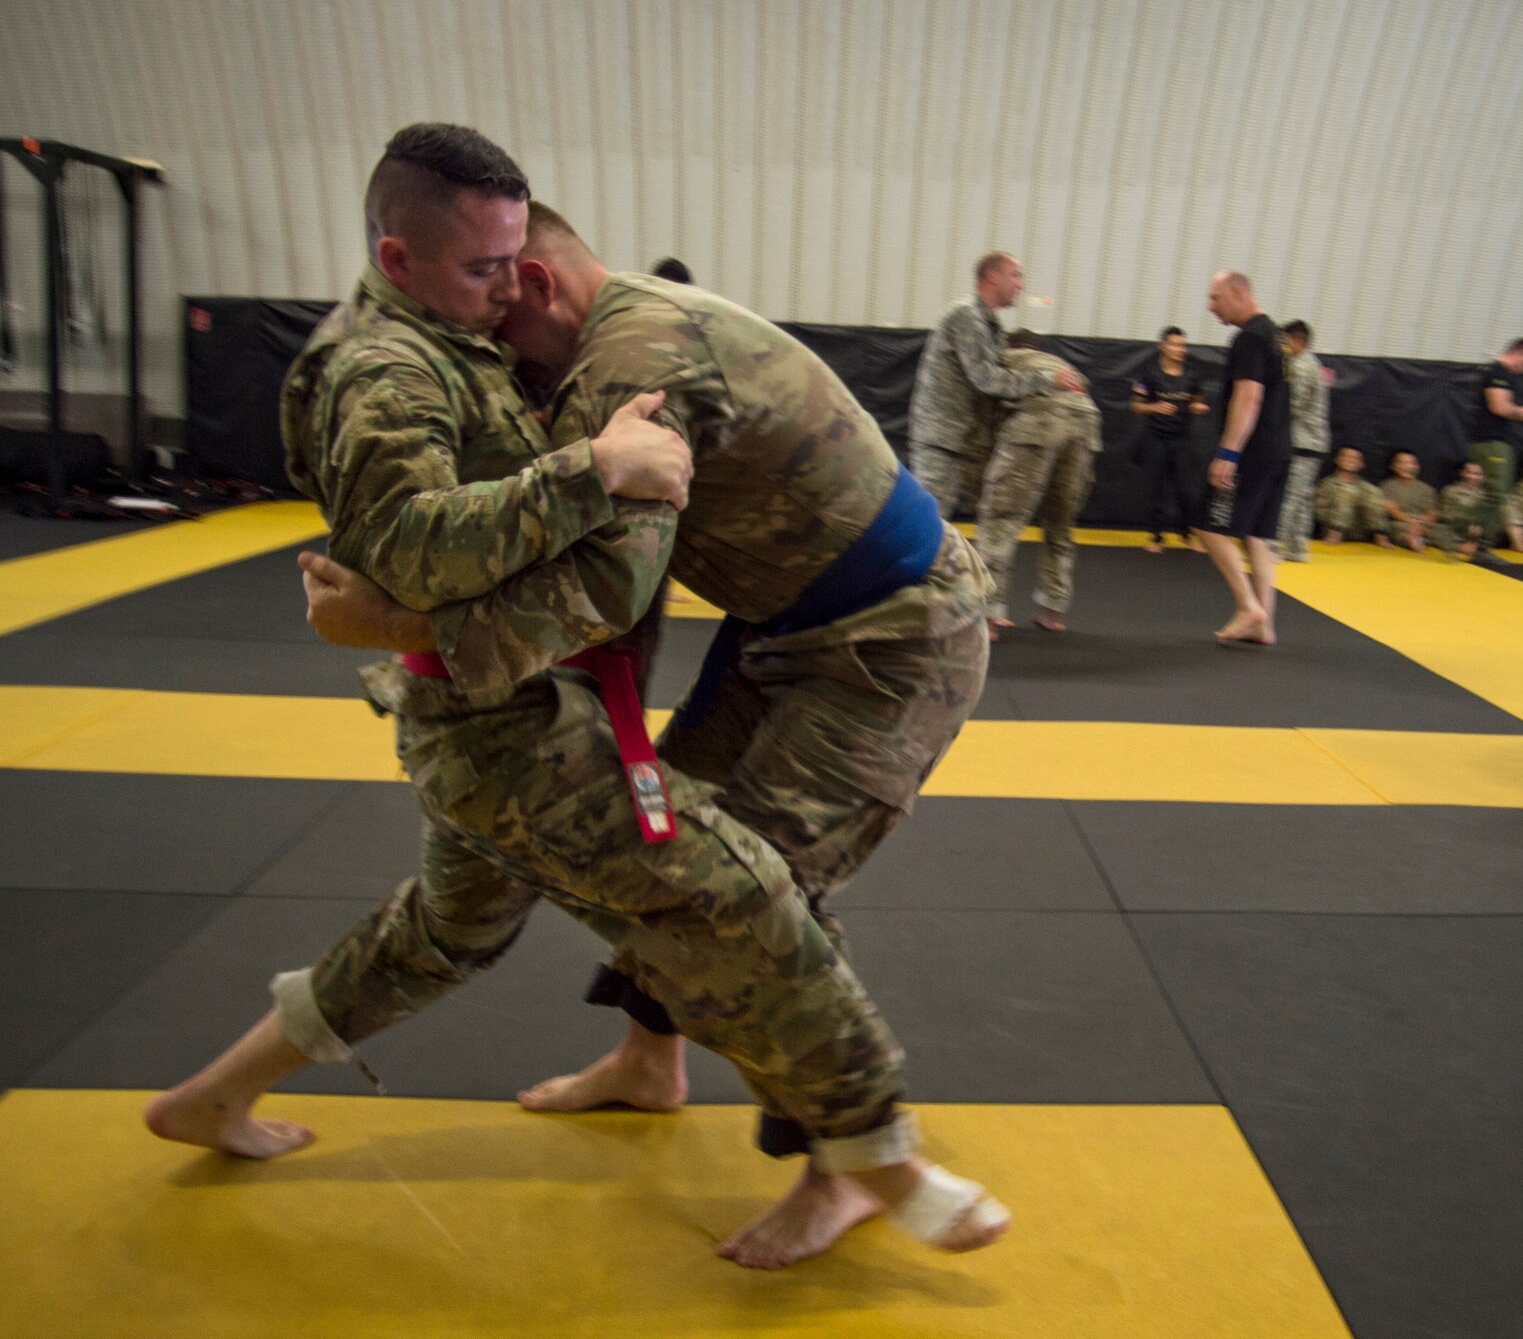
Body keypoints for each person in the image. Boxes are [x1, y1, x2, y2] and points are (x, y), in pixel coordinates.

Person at [149, 130, 1009, 1270]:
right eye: (474, 278)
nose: (506, 337)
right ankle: (729, 1095)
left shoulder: (620, 367)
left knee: (754, 884)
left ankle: (837, 1164)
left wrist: (408, 628)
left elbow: (615, 587)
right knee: (704, 893)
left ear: (540, 279)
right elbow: (527, 560)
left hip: (889, 638)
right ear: (403, 260)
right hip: (659, 666)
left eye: (507, 296)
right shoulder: (414, 358)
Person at [909, 252, 1069, 516]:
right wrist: (1048, 379)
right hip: (940, 439)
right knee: (926, 525)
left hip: (957, 440)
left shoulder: (989, 325)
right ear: (993, 277)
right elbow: (988, 379)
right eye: (1015, 275)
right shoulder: (967, 317)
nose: (1021, 285)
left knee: (936, 526)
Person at [975, 330, 1101, 636]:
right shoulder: (1061, 364)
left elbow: (986, 419)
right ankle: (1053, 612)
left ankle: (989, 616)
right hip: (1086, 423)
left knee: (1000, 520)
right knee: (1060, 523)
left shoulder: (1003, 359)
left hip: (1040, 421)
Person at [1196, 271, 1291, 645]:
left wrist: (1228, 453)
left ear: (1238, 293)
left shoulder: (1249, 338)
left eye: (1216, 298)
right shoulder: (1277, 336)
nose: (1211, 307)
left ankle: (1247, 606)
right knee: (1256, 536)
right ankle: (1263, 624)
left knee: (1208, 525)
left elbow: (1249, 397)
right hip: (1279, 448)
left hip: (1252, 450)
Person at [1128, 326, 1209, 553]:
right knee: (1156, 489)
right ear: (1162, 346)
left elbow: (1197, 401)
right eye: (1174, 344)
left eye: (1182, 345)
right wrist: (1154, 407)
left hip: (1182, 439)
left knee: (1185, 489)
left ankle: (1186, 534)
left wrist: (1198, 407)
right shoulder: (1148, 374)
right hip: (1155, 438)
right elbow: (1135, 405)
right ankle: (1156, 537)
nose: (1179, 349)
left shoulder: (1192, 374)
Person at [1467, 337, 1523, 548]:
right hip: (1491, 442)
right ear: (1519, 353)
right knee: (1496, 493)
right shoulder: (1498, 373)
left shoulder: (1499, 373)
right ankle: (1460, 528)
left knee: (1497, 495)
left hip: (1496, 441)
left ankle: (1481, 543)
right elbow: (1499, 407)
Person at [1273, 320, 1331, 562]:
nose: (1282, 346)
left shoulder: (1301, 367)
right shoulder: (1311, 365)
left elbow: (1293, 406)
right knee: (1302, 497)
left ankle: (1273, 546)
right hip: (1312, 441)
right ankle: (1298, 548)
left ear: (1299, 341)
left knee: (1289, 495)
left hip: (1302, 440)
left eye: (1285, 341)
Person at [1314, 446, 1389, 547]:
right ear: (1337, 460)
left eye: (1356, 458)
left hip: (1359, 528)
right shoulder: (1326, 484)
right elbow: (1319, 511)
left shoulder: (1367, 488)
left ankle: (1381, 537)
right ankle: (1335, 535)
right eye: (1346, 457)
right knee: (1347, 492)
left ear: (1362, 464)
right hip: (1331, 526)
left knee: (1373, 492)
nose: (1351, 460)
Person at [1379, 450, 1438, 552]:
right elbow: (1391, 510)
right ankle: (1411, 540)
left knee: (1441, 529)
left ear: (1417, 467)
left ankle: (1461, 547)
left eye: (1411, 463)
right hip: (1401, 521)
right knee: (1396, 528)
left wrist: (1424, 523)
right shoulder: (1387, 486)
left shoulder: (1426, 488)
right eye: (1402, 463)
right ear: (1393, 466)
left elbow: (1433, 511)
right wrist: (1411, 522)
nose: (1407, 466)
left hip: (1422, 523)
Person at [1429, 460, 1488, 562]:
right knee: (1434, 529)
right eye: (1469, 472)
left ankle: (1476, 546)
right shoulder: (1451, 491)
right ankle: (1459, 546)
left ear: (1483, 476)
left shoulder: (1488, 495)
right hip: (1458, 529)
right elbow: (1447, 514)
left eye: (1477, 474)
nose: (1472, 477)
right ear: (1462, 473)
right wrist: (1466, 523)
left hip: (1481, 531)